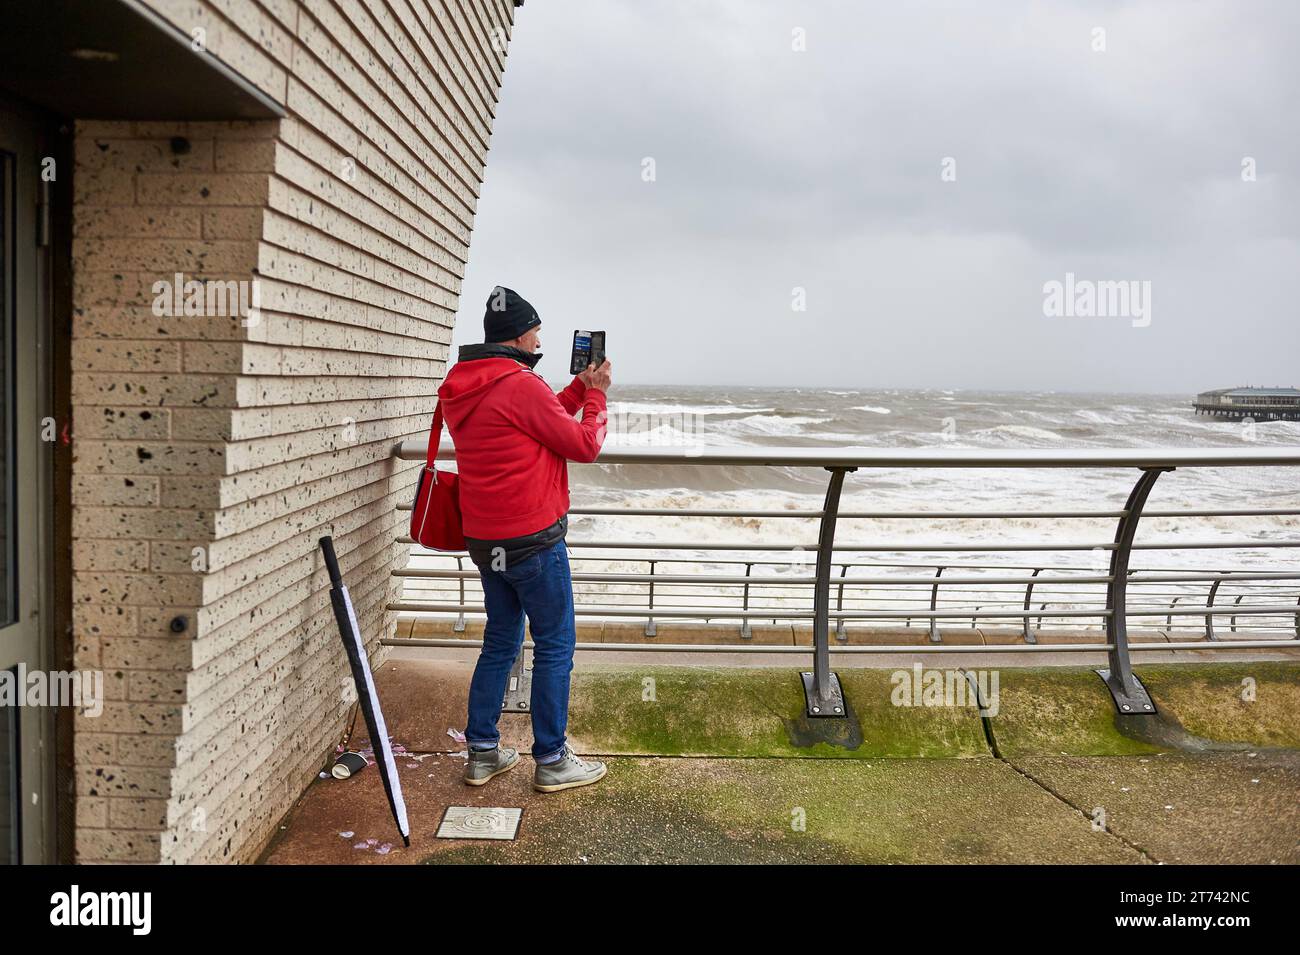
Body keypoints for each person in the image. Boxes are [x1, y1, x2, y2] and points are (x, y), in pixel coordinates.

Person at [435, 286, 612, 792]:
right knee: (555, 644)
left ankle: (483, 752)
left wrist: (576, 389)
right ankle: (553, 759)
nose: (541, 338)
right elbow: (582, 444)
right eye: (536, 329)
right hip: (534, 541)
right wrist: (597, 396)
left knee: (500, 640)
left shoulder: (463, 383)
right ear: (520, 336)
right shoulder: (519, 383)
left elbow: (532, 420)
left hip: (485, 538)